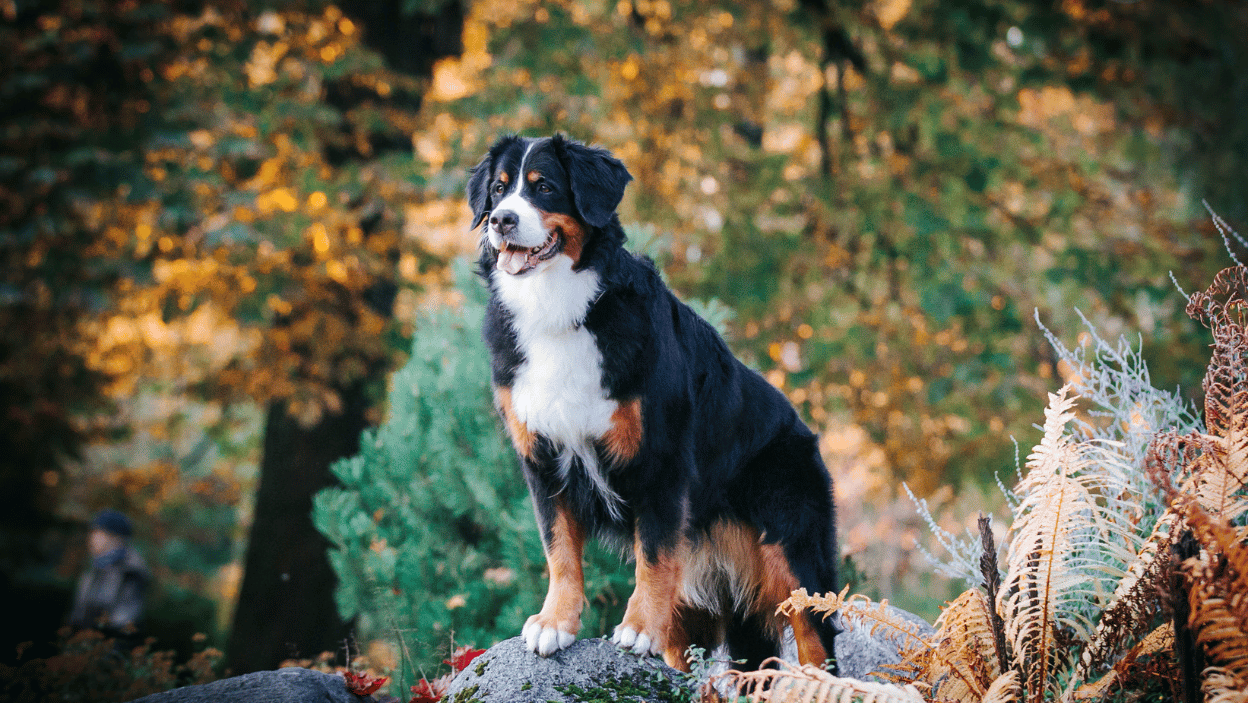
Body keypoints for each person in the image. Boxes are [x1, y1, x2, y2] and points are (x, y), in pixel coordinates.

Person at [68, 509, 150, 637]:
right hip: (86, 639)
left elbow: (123, 620)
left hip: (110, 642)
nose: (91, 538)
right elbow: (80, 611)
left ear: (116, 537)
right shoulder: (96, 566)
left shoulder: (130, 571)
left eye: (98, 533)